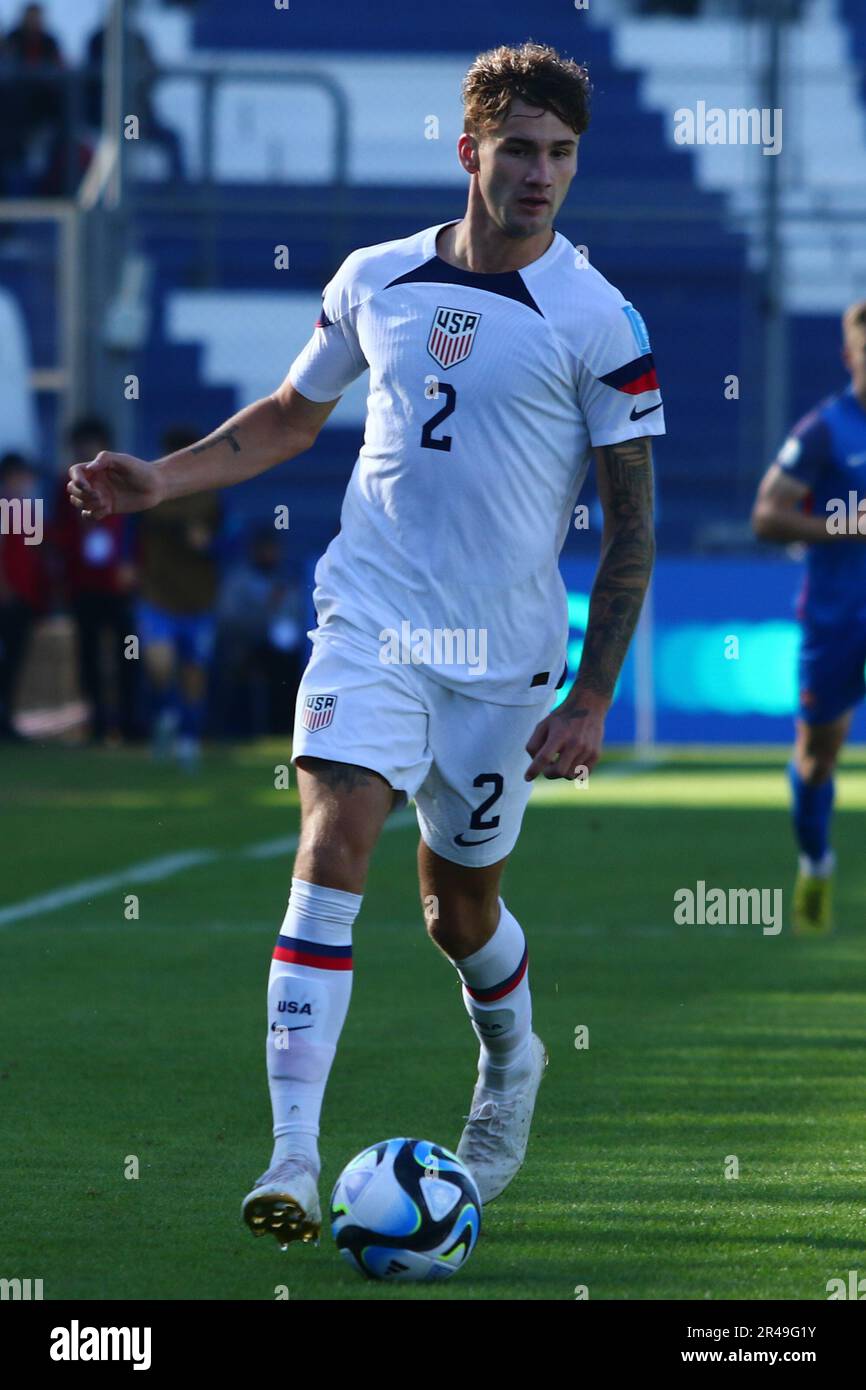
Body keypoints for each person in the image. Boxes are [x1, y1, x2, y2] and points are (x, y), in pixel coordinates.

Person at [67, 42, 662, 1246]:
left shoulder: (600, 320)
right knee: (333, 834)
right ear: (468, 153)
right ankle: (291, 1153)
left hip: (500, 664)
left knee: (455, 911)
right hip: (370, 621)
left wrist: (591, 695)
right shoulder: (375, 276)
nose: (541, 174)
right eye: (518, 151)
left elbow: (632, 530)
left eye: (560, 154)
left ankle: (512, 1059)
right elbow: (293, 412)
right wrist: (160, 482)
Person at [752, 300, 866, 936]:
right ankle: (816, 863)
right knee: (818, 758)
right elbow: (766, 515)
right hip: (837, 620)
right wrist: (844, 524)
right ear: (851, 358)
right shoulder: (824, 430)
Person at [129, 426, 221, 767]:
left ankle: (188, 738)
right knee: (160, 666)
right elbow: (130, 531)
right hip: (158, 596)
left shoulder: (211, 494)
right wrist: (128, 564)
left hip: (198, 600)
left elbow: (234, 539)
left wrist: (211, 543)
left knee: (194, 673)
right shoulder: (149, 490)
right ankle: (166, 716)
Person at [51, 417, 140, 744]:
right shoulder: (65, 486)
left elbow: (134, 528)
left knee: (127, 656)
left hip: (118, 586)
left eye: (93, 443)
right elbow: (58, 535)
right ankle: (98, 724)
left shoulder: (121, 480)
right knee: (88, 657)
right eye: (81, 444)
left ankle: (129, 723)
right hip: (83, 586)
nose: (86, 450)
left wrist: (131, 564)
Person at [0, 451, 47, 739]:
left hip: (24, 599)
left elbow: (35, 555)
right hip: (9, 599)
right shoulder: (5, 506)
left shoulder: (28, 509)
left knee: (14, 662)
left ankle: (7, 717)